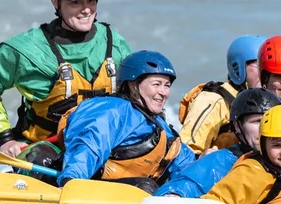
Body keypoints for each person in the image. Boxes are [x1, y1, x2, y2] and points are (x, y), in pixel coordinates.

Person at [0, 0, 132, 164]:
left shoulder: (114, 42)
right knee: (44, 160)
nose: (86, 9)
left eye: (91, 0)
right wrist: (5, 138)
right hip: (47, 150)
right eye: (76, 2)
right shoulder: (26, 50)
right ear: (55, 2)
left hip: (102, 142)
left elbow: (136, 92)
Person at [56, 50, 195, 192]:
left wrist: (202, 163)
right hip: (90, 186)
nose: (163, 92)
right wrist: (71, 181)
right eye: (156, 84)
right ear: (133, 85)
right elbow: (90, 145)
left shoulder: (158, 123)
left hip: (128, 191)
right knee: (146, 187)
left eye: (167, 85)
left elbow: (183, 160)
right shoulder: (112, 110)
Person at [156, 87, 280, 197]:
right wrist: (174, 195)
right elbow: (184, 186)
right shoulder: (221, 161)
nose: (265, 127)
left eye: (270, 120)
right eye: (257, 121)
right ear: (237, 126)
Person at [176, 35, 265, 154]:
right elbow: (185, 152)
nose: (266, 72)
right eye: (260, 66)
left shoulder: (264, 99)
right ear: (239, 68)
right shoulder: (212, 100)